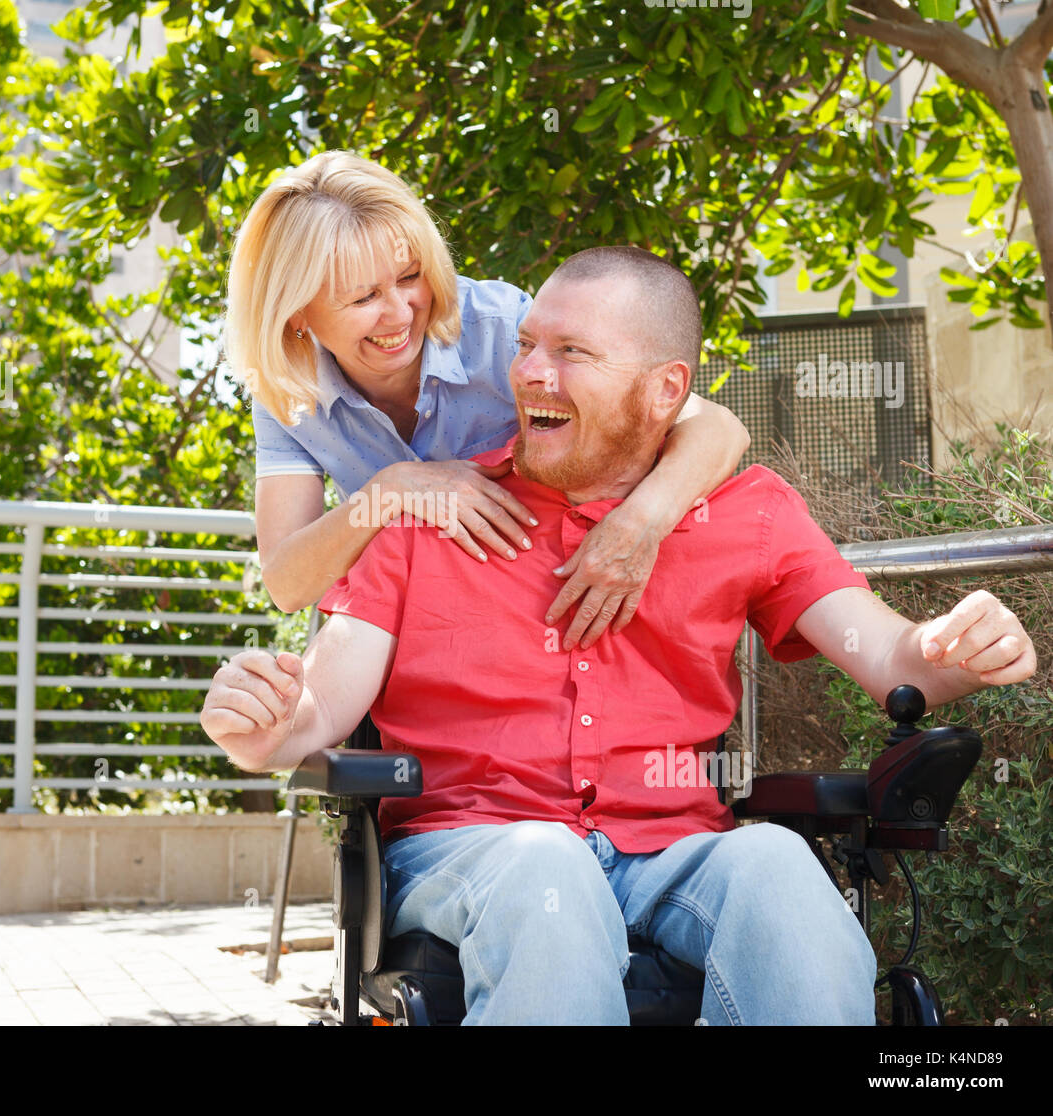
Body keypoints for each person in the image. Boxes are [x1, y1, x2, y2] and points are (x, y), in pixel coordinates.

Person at [202, 246, 1037, 1025]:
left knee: (782, 868)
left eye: (572, 352)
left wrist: (955, 649)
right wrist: (264, 723)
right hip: (476, 849)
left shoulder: (745, 514)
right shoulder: (425, 516)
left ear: (667, 390)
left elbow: (896, 660)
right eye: (526, 344)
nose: (528, 372)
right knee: (545, 864)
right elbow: (315, 709)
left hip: (674, 849)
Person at [225, 151, 751, 650]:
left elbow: (719, 429)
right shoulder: (286, 389)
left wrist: (639, 524)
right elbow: (287, 583)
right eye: (363, 297)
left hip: (552, 613)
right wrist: (392, 490)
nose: (400, 313)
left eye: (410, 277)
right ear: (296, 312)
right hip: (408, 639)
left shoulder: (501, 329)